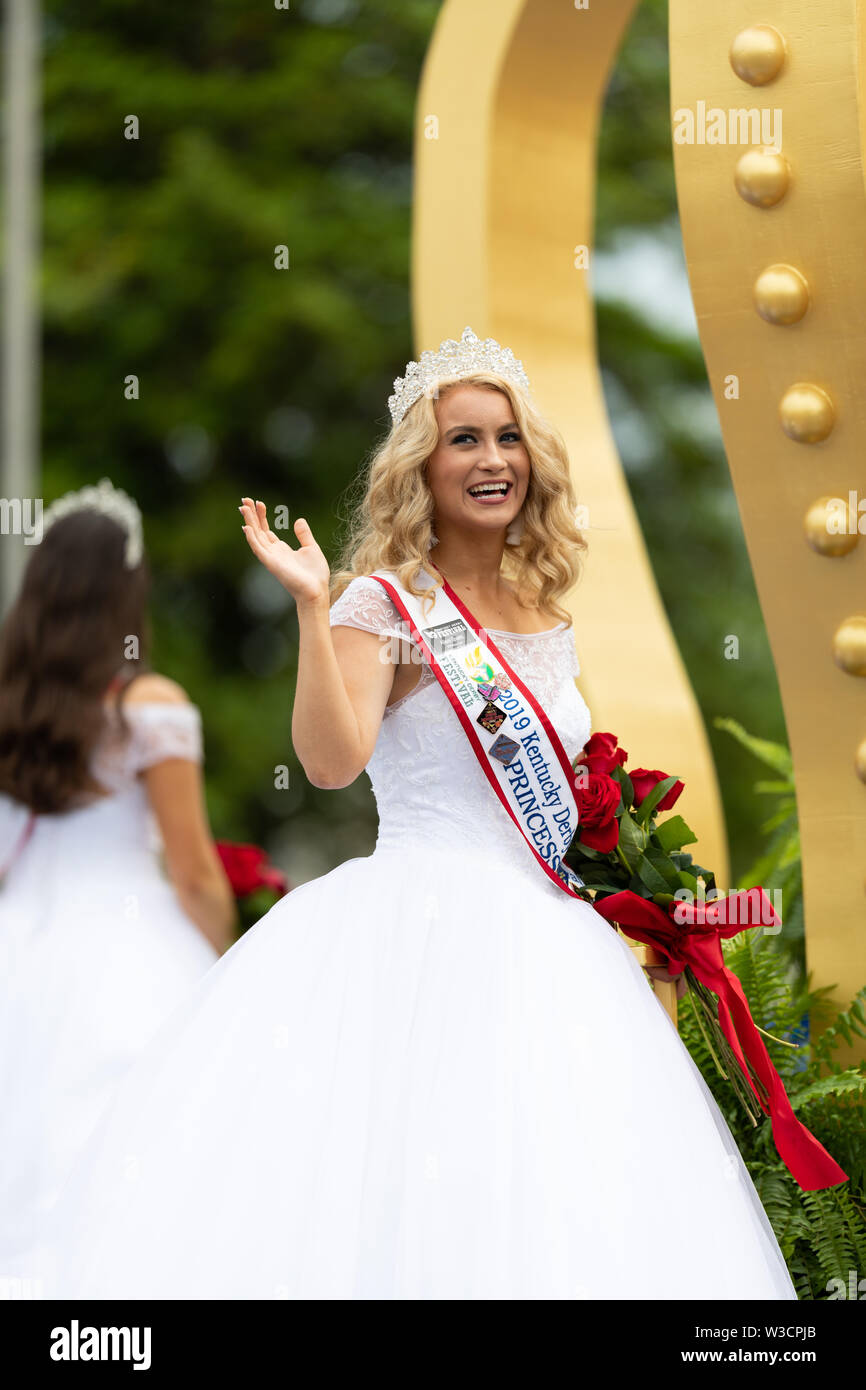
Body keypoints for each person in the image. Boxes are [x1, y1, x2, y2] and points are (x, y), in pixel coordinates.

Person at [46, 333, 798, 1299]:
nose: (493, 461)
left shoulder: (544, 613)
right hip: (414, 927)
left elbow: (556, 788)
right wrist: (317, 613)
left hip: (550, 944)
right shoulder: (386, 603)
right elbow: (328, 763)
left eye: (510, 438)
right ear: (423, 466)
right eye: (465, 442)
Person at [0, 479, 235, 1284]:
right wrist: (229, 969)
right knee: (118, 1170)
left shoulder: (8, 709)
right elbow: (195, 869)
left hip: (16, 946)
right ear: (125, 593)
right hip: (126, 952)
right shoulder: (150, 706)